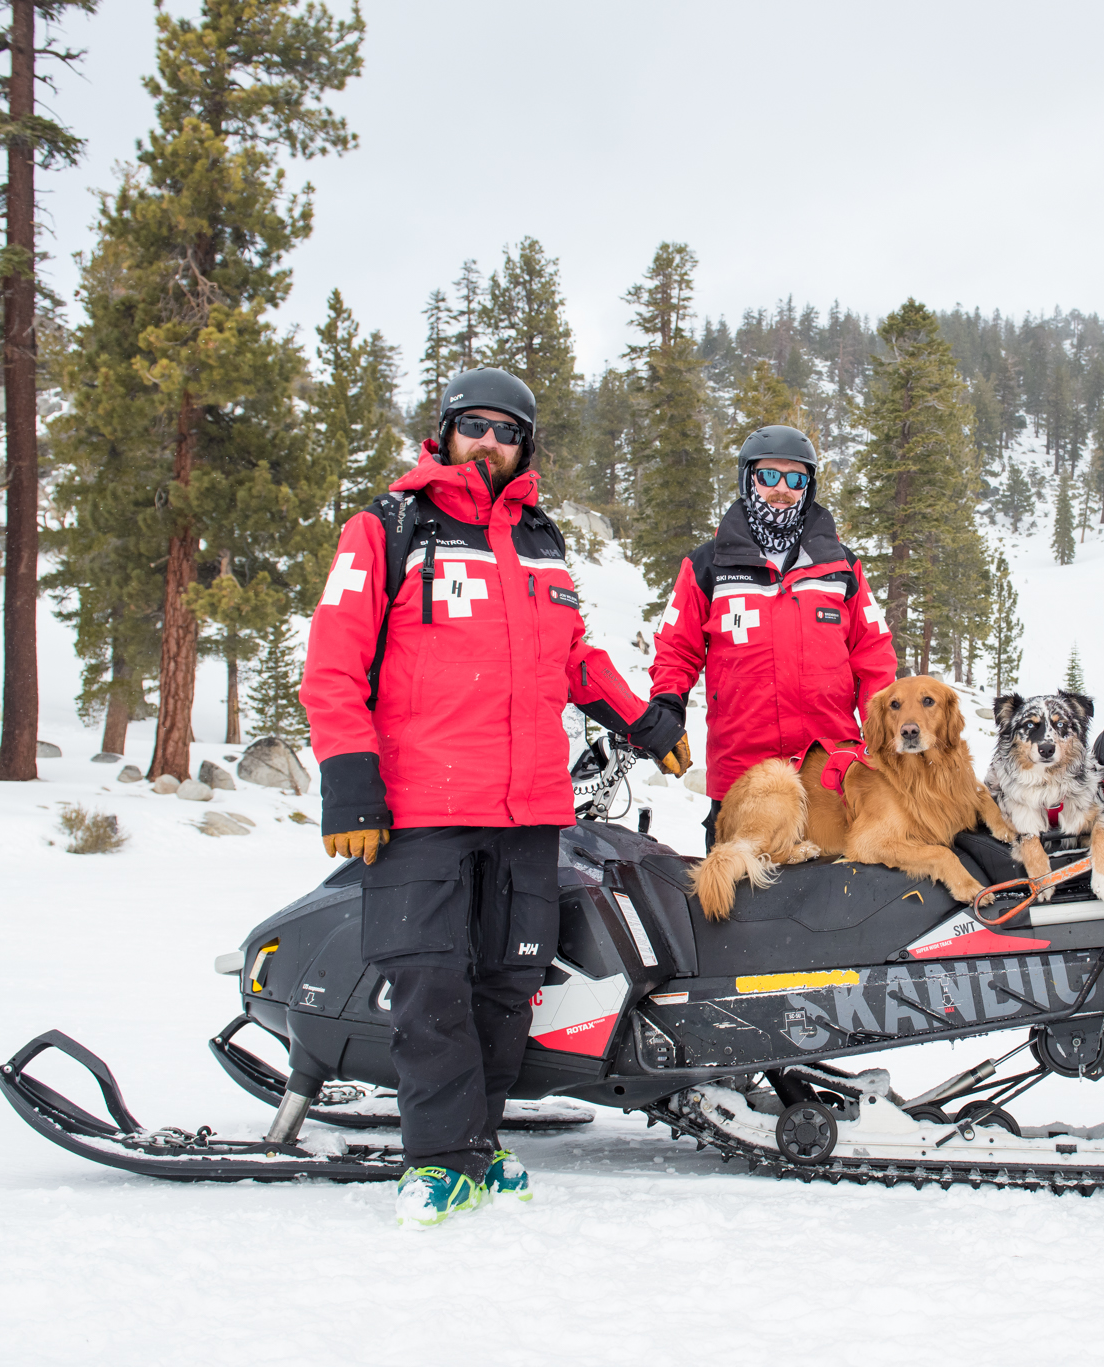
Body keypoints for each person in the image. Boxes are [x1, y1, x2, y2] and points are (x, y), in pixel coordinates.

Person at [301, 367, 688, 1229]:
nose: (489, 442)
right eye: (473, 425)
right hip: (422, 804)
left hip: (527, 810)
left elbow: (574, 657)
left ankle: (479, 1145)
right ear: (443, 433)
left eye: (506, 431)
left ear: (526, 447)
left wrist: (642, 722)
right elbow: (332, 663)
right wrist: (349, 782)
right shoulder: (387, 528)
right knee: (431, 984)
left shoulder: (540, 541)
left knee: (509, 985)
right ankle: (438, 1160)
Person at [649, 425, 898, 847]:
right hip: (743, 773)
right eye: (769, 476)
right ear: (749, 479)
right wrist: (667, 705)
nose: (782, 489)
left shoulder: (840, 567)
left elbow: (873, 655)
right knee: (735, 899)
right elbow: (676, 649)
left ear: (808, 487)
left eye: (795, 478)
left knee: (834, 904)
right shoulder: (708, 565)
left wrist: (886, 731)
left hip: (830, 773)